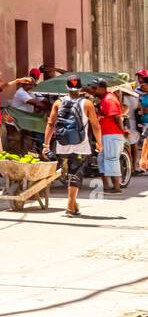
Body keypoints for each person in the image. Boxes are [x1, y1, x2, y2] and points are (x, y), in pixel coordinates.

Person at [43, 76, 102, 218]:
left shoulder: (58, 102)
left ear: (66, 87)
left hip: (62, 146)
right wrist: (99, 143)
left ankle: (74, 205)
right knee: (76, 174)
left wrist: (46, 144)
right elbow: (95, 125)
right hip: (81, 145)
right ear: (80, 88)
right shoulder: (87, 103)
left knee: (70, 174)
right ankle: (70, 205)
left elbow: (50, 124)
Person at [91, 79, 126, 194]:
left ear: (102, 88)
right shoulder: (104, 99)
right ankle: (106, 187)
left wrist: (123, 130)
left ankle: (116, 188)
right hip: (105, 134)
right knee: (102, 160)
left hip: (112, 134)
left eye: (94, 88)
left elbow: (116, 117)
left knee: (111, 160)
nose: (93, 90)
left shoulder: (108, 99)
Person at [133, 70, 148, 177]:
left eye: (141, 77)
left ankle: (144, 165)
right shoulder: (137, 91)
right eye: (138, 77)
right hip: (141, 122)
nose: (139, 80)